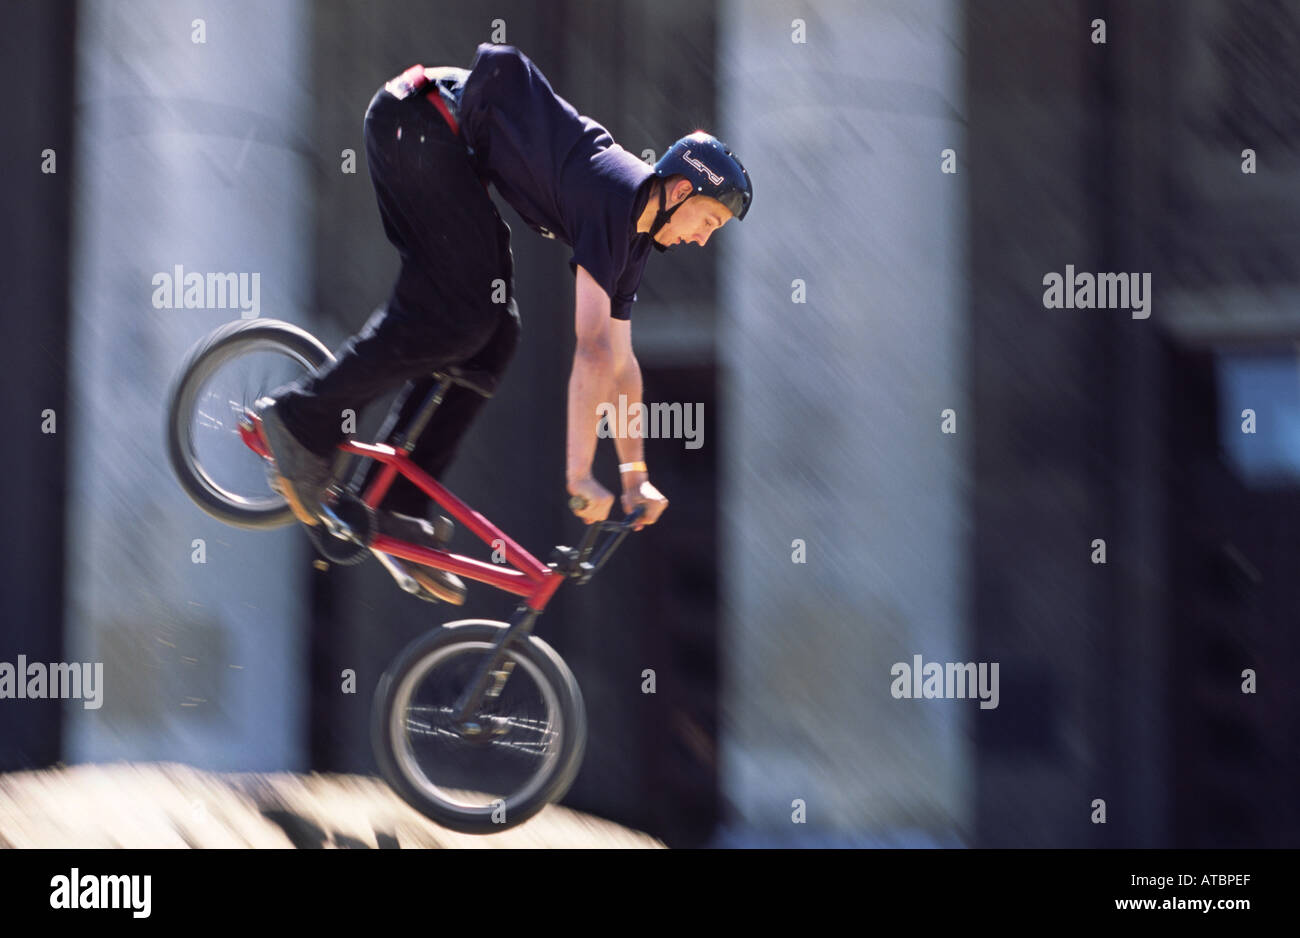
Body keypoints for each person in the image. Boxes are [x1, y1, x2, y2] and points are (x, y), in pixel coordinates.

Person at [255, 43, 752, 604]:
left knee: (494, 335)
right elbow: (590, 350)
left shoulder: (636, 233)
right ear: (681, 190)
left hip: (445, 146)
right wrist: (579, 475)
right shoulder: (616, 199)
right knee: (457, 315)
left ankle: (394, 503)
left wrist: (634, 472)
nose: (704, 238)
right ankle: (303, 419)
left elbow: (621, 361)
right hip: (417, 121)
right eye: (708, 220)